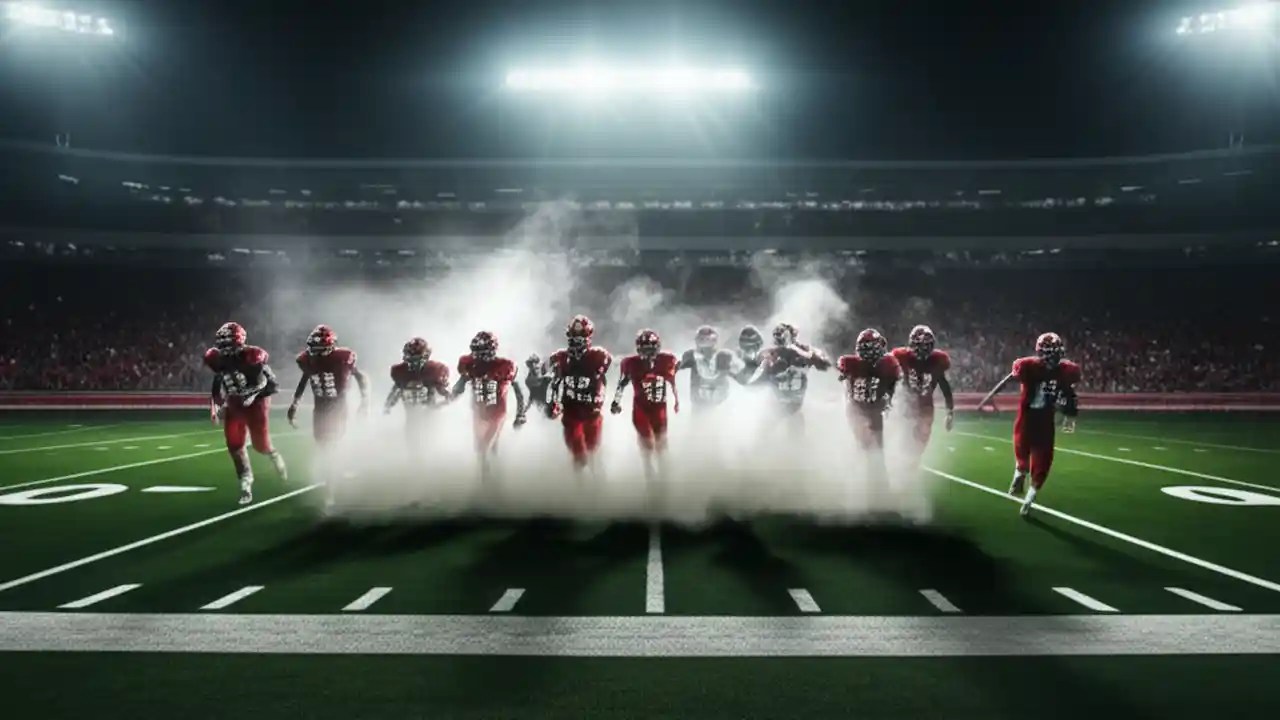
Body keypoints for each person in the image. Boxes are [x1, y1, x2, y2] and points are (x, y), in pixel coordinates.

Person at [977, 332, 1082, 517]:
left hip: (1042, 418)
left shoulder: (1064, 371)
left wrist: (1070, 415)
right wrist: (990, 396)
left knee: (1041, 460)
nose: (1054, 356)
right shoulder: (1029, 366)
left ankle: (1027, 490)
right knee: (1026, 452)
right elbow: (1010, 378)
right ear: (1041, 352)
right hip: (1030, 417)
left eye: (1056, 352)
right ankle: (1022, 477)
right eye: (1051, 352)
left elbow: (1070, 393)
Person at [202, 321, 288, 505]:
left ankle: (273, 454)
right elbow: (218, 381)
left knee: (260, 445)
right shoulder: (216, 358)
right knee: (234, 443)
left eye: (228, 345)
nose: (224, 350)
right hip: (235, 402)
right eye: (222, 345)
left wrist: (252, 394)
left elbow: (270, 385)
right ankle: (245, 480)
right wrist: (215, 405)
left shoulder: (253, 357)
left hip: (257, 402)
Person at [287, 324, 369, 510]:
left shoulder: (343, 358)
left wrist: (365, 401)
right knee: (323, 446)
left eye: (319, 349)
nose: (315, 353)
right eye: (313, 349)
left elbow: (360, 376)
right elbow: (305, 378)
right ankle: (339, 467)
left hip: (338, 406)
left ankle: (330, 495)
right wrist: (295, 403)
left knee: (331, 445)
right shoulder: (307, 360)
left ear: (331, 347)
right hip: (320, 407)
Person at [452, 330, 526, 483]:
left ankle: (486, 486)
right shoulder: (470, 365)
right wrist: (454, 392)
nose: (478, 356)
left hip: (497, 413)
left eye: (482, 352)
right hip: (478, 412)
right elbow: (460, 383)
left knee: (483, 449)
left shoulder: (505, 366)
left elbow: (518, 391)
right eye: (476, 352)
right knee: (485, 449)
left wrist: (520, 414)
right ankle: (494, 480)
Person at [612, 328, 680, 483]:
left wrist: (677, 402)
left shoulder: (667, 360)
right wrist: (616, 401)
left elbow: (675, 383)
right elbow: (622, 384)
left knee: (661, 443)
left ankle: (664, 474)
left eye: (651, 347)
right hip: (641, 408)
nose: (649, 352)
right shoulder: (631, 363)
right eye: (645, 348)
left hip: (660, 408)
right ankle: (649, 472)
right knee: (647, 443)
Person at [547, 315, 612, 475]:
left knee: (593, 453)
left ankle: (599, 486)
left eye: (580, 337)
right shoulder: (561, 357)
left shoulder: (598, 356)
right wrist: (553, 402)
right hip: (571, 411)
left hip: (592, 412)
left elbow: (602, 370)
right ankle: (580, 489)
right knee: (578, 455)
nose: (576, 341)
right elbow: (554, 382)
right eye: (573, 337)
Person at [889, 324, 955, 465]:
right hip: (906, 403)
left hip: (925, 406)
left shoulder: (937, 361)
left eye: (926, 346)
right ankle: (897, 460)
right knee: (904, 437)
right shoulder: (902, 357)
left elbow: (944, 386)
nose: (923, 351)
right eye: (920, 346)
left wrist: (950, 411)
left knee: (920, 442)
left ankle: (910, 465)